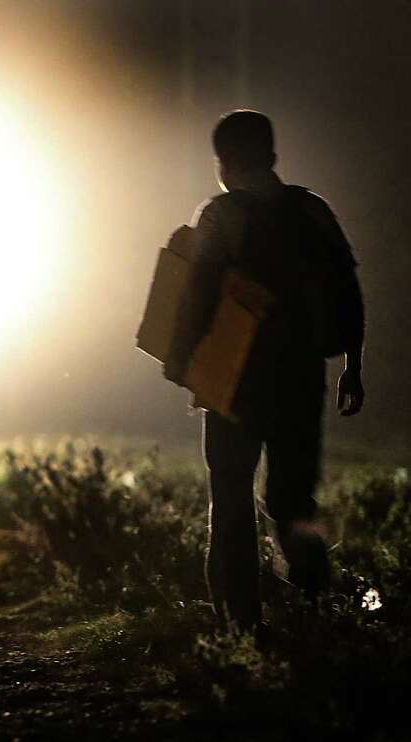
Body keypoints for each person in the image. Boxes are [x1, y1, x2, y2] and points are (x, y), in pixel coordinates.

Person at [165, 110, 366, 633]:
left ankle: (239, 626)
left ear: (223, 163)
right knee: (294, 499)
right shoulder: (312, 209)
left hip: (233, 379)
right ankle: (318, 613)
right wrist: (353, 365)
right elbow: (347, 290)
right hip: (301, 377)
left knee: (230, 497)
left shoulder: (218, 215)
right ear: (273, 156)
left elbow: (195, 295)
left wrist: (180, 358)